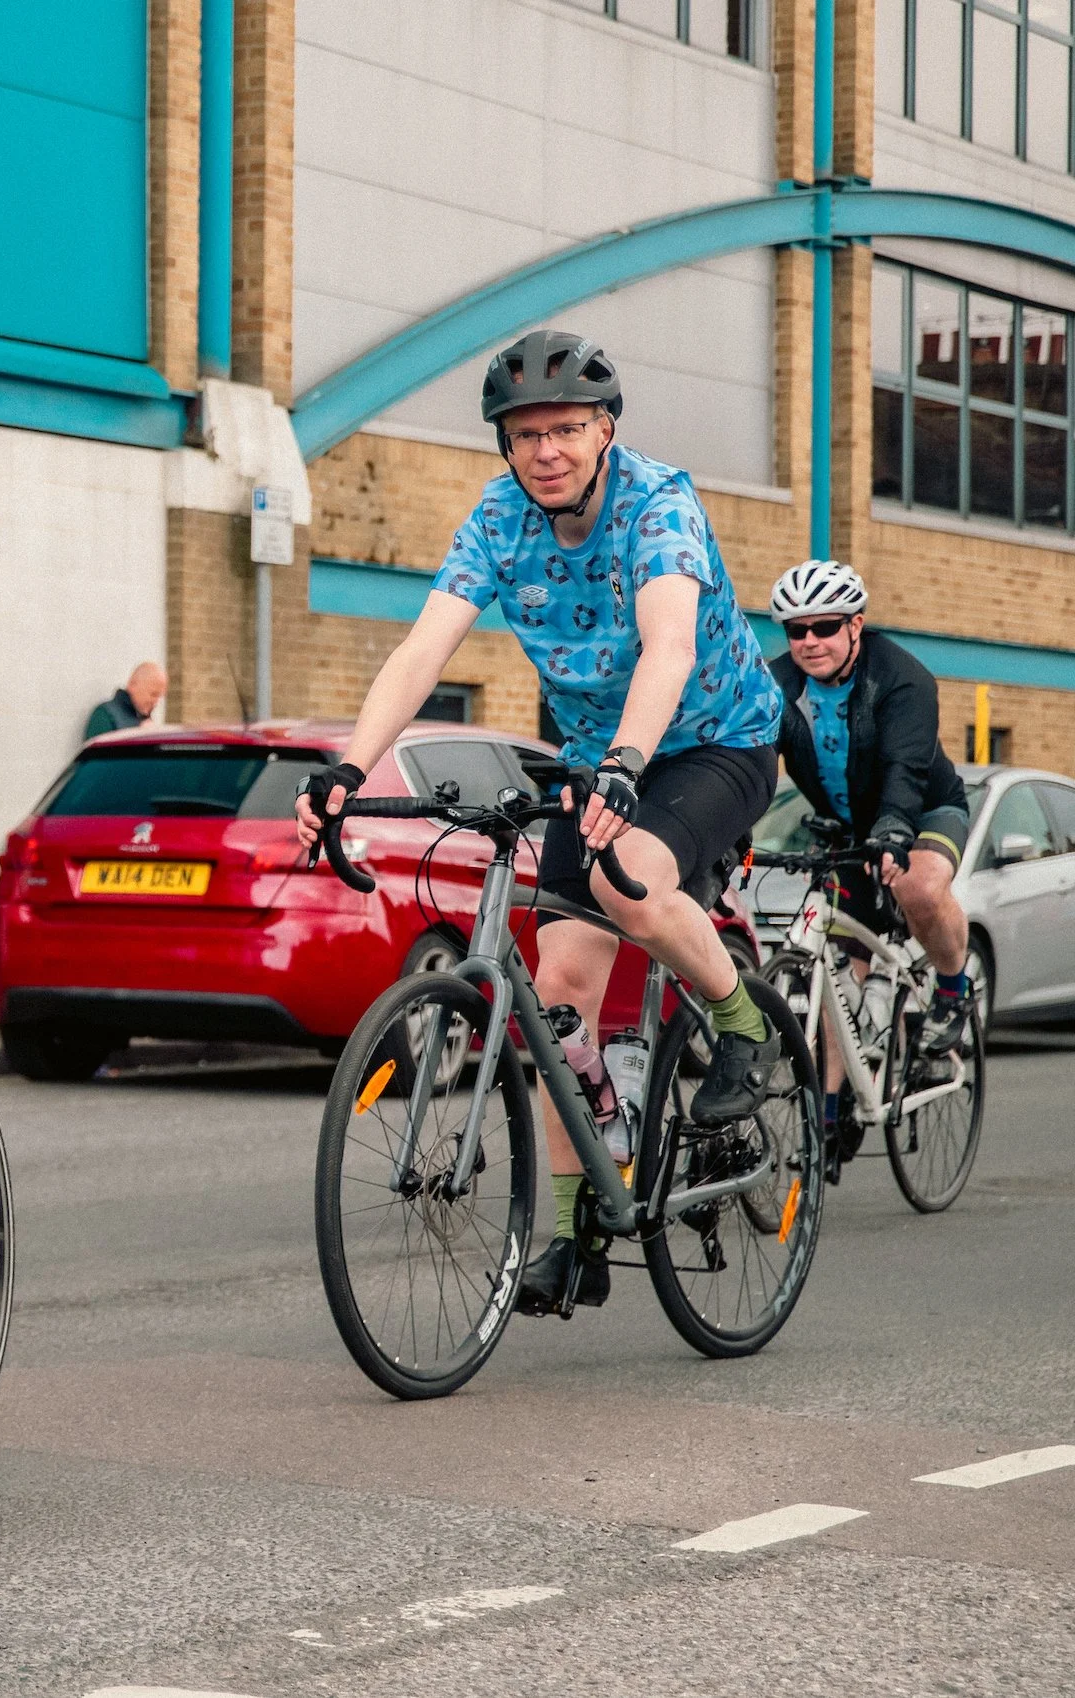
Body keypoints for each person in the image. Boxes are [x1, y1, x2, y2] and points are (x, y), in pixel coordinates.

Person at [295, 329, 785, 1317]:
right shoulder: (497, 518)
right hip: (596, 753)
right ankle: (571, 1232)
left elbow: (668, 646)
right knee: (557, 995)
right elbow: (423, 651)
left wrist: (628, 763)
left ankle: (742, 1021)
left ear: (605, 429)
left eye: (565, 429)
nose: (546, 450)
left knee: (626, 882)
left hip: (711, 740)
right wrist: (350, 766)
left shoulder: (658, 504)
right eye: (525, 435)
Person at [766, 558, 974, 1141]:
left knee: (919, 888)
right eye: (796, 630)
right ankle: (832, 1110)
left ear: (856, 625)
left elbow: (905, 769)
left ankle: (952, 991)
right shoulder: (775, 685)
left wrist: (894, 833)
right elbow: (752, 762)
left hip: (925, 811)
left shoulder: (902, 678)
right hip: (848, 831)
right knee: (838, 970)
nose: (810, 641)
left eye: (825, 627)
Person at [84, 661, 165, 739]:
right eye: (153, 694)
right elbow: (97, 748)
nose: (156, 702)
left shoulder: (143, 718)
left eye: (159, 697)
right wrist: (140, 736)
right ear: (133, 684)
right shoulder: (105, 715)